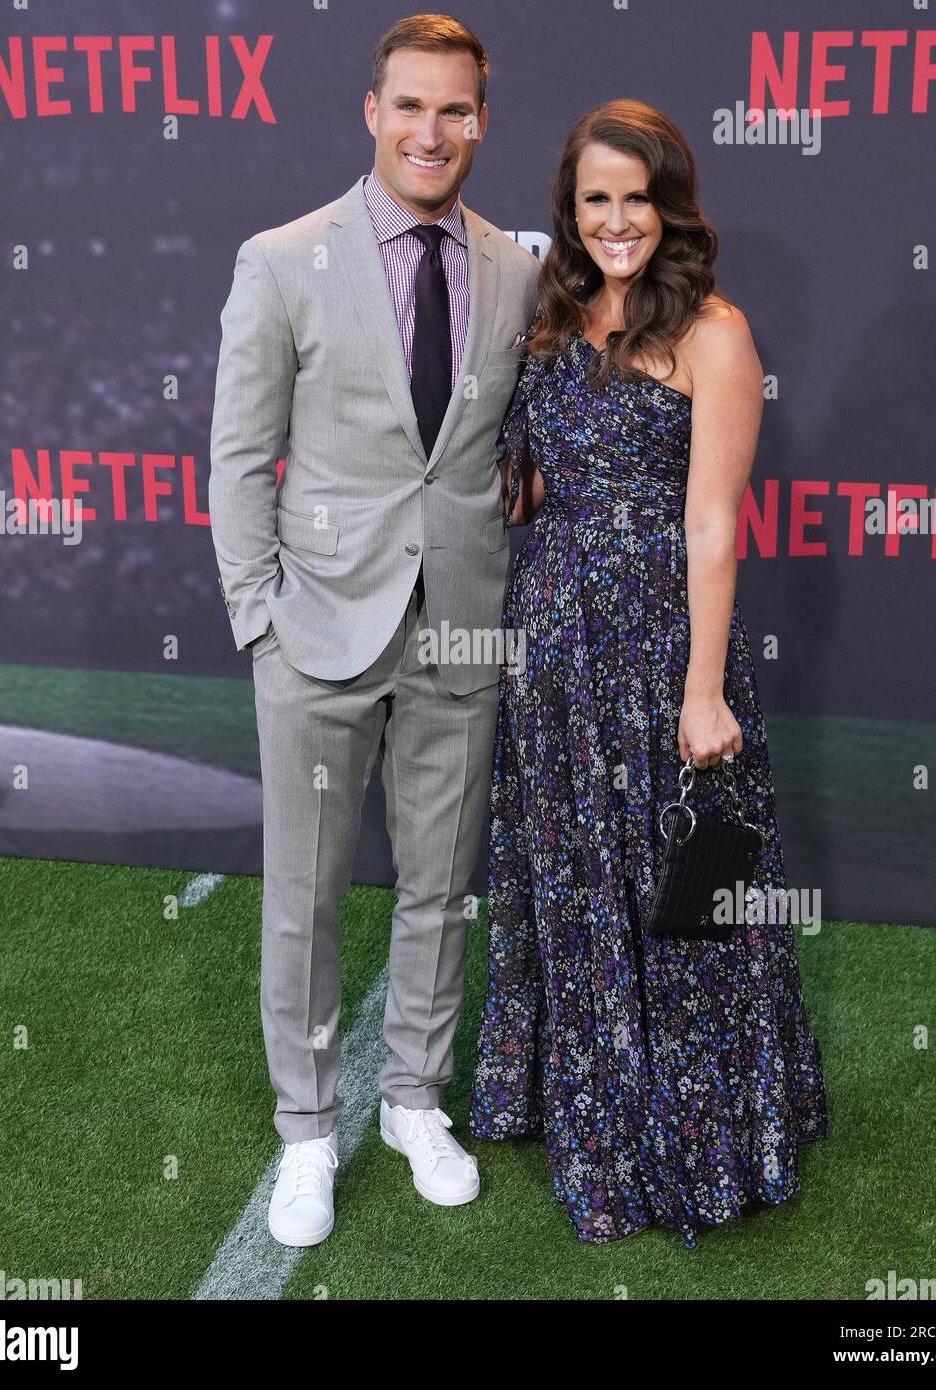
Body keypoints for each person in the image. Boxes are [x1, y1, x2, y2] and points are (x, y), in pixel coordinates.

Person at [469, 99, 831, 1246]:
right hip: (554, 652)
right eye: (594, 199)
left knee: (683, 907)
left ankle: (702, 1130)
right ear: (567, 214)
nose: (615, 220)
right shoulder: (553, 310)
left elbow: (712, 527)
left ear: (669, 205)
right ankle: (587, 1106)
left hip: (659, 654)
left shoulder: (713, 331)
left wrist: (703, 689)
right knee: (577, 882)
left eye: (636, 197)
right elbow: (531, 488)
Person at [208, 15, 539, 1247]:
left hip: (459, 625)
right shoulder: (283, 258)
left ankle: (411, 1099)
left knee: (440, 888)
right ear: (371, 111)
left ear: (480, 122)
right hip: (315, 632)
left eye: (455, 110)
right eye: (411, 106)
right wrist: (260, 620)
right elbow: (238, 457)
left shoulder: (514, 270)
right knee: (302, 890)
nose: (431, 131)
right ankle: (306, 1127)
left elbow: (506, 442)